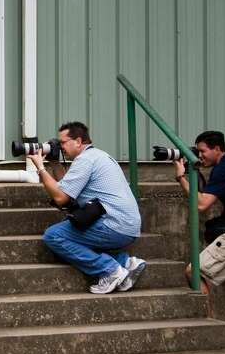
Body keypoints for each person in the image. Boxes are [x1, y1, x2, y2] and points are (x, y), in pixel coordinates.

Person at [28, 122, 145, 294]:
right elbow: (69, 187)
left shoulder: (85, 160)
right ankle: (126, 263)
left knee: (54, 236)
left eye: (62, 142)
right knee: (79, 236)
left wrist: (40, 168)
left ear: (78, 141)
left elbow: (61, 197)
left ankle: (110, 270)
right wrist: (54, 163)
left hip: (114, 225)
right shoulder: (96, 156)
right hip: (128, 226)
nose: (60, 147)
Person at [173, 130, 225, 315]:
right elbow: (204, 195)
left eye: (202, 151)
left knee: (194, 271)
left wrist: (181, 178)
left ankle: (210, 326)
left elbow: (202, 204)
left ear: (217, 149)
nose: (199, 156)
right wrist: (193, 172)